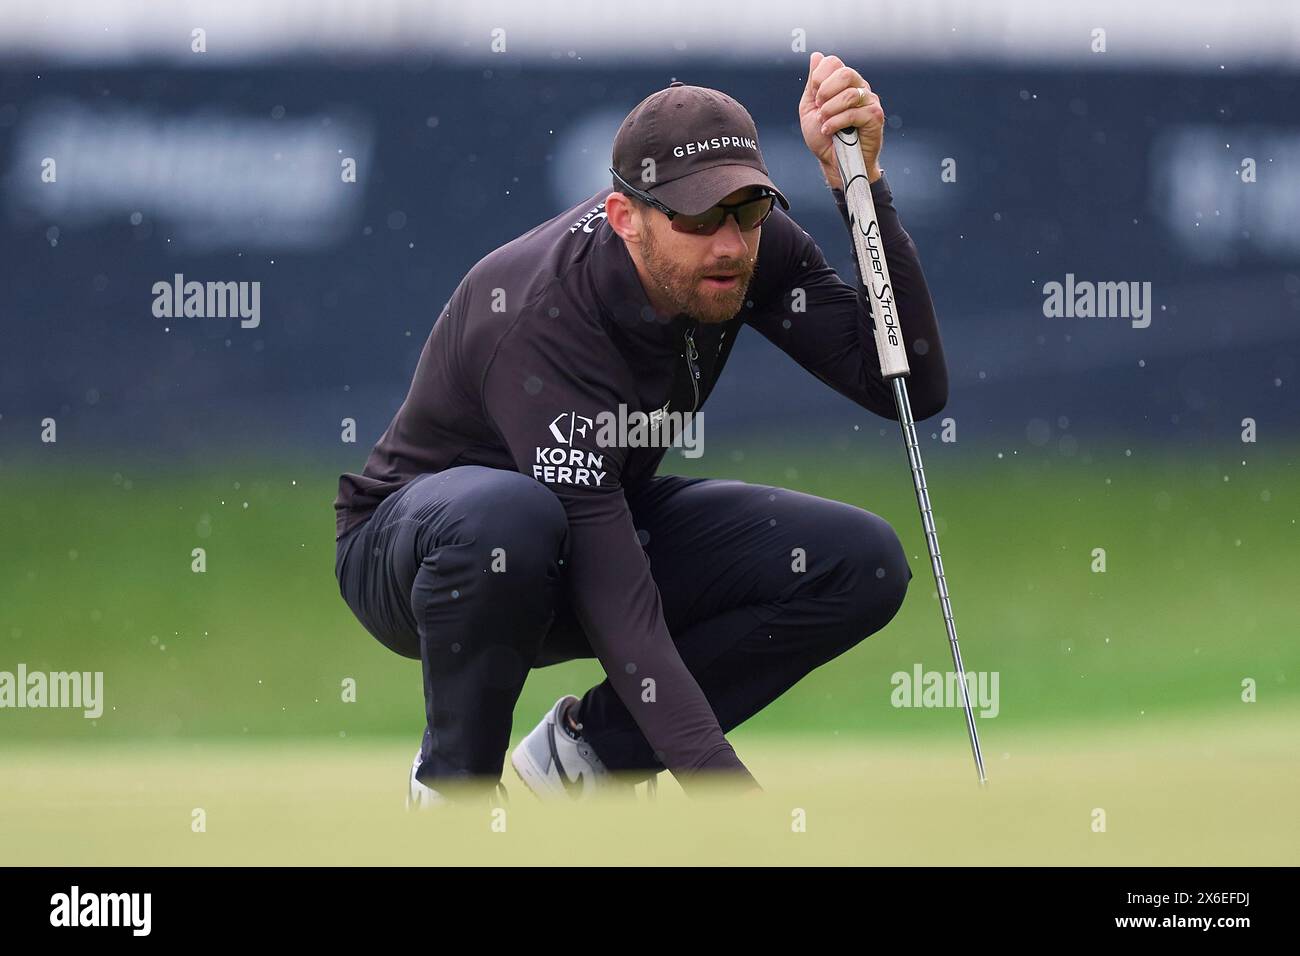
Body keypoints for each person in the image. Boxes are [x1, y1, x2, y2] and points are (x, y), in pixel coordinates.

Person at [333, 52, 948, 807]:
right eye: (696, 218)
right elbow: (614, 592)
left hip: (590, 524)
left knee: (860, 564)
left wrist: (862, 188)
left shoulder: (753, 253)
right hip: (420, 553)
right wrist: (729, 798)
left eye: (747, 210)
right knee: (511, 518)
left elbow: (909, 385)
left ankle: (583, 758)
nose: (727, 243)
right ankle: (454, 793)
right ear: (627, 217)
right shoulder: (542, 313)